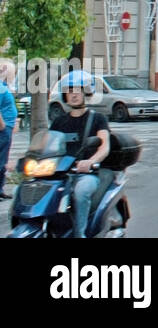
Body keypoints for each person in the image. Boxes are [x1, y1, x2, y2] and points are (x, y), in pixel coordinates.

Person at [49, 70, 111, 237]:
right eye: (69, 91)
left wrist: (90, 162)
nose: (73, 95)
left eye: (77, 90)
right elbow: (48, 145)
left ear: (86, 92)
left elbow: (104, 146)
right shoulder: (59, 121)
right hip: (61, 174)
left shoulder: (98, 118)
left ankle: (80, 233)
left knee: (81, 192)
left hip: (85, 174)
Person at [0, 58, 16, 200]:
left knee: (3, 160)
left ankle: (1, 189)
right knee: (0, 160)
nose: (14, 75)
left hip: (7, 127)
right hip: (3, 129)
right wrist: (3, 125)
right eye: (12, 72)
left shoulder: (4, 86)